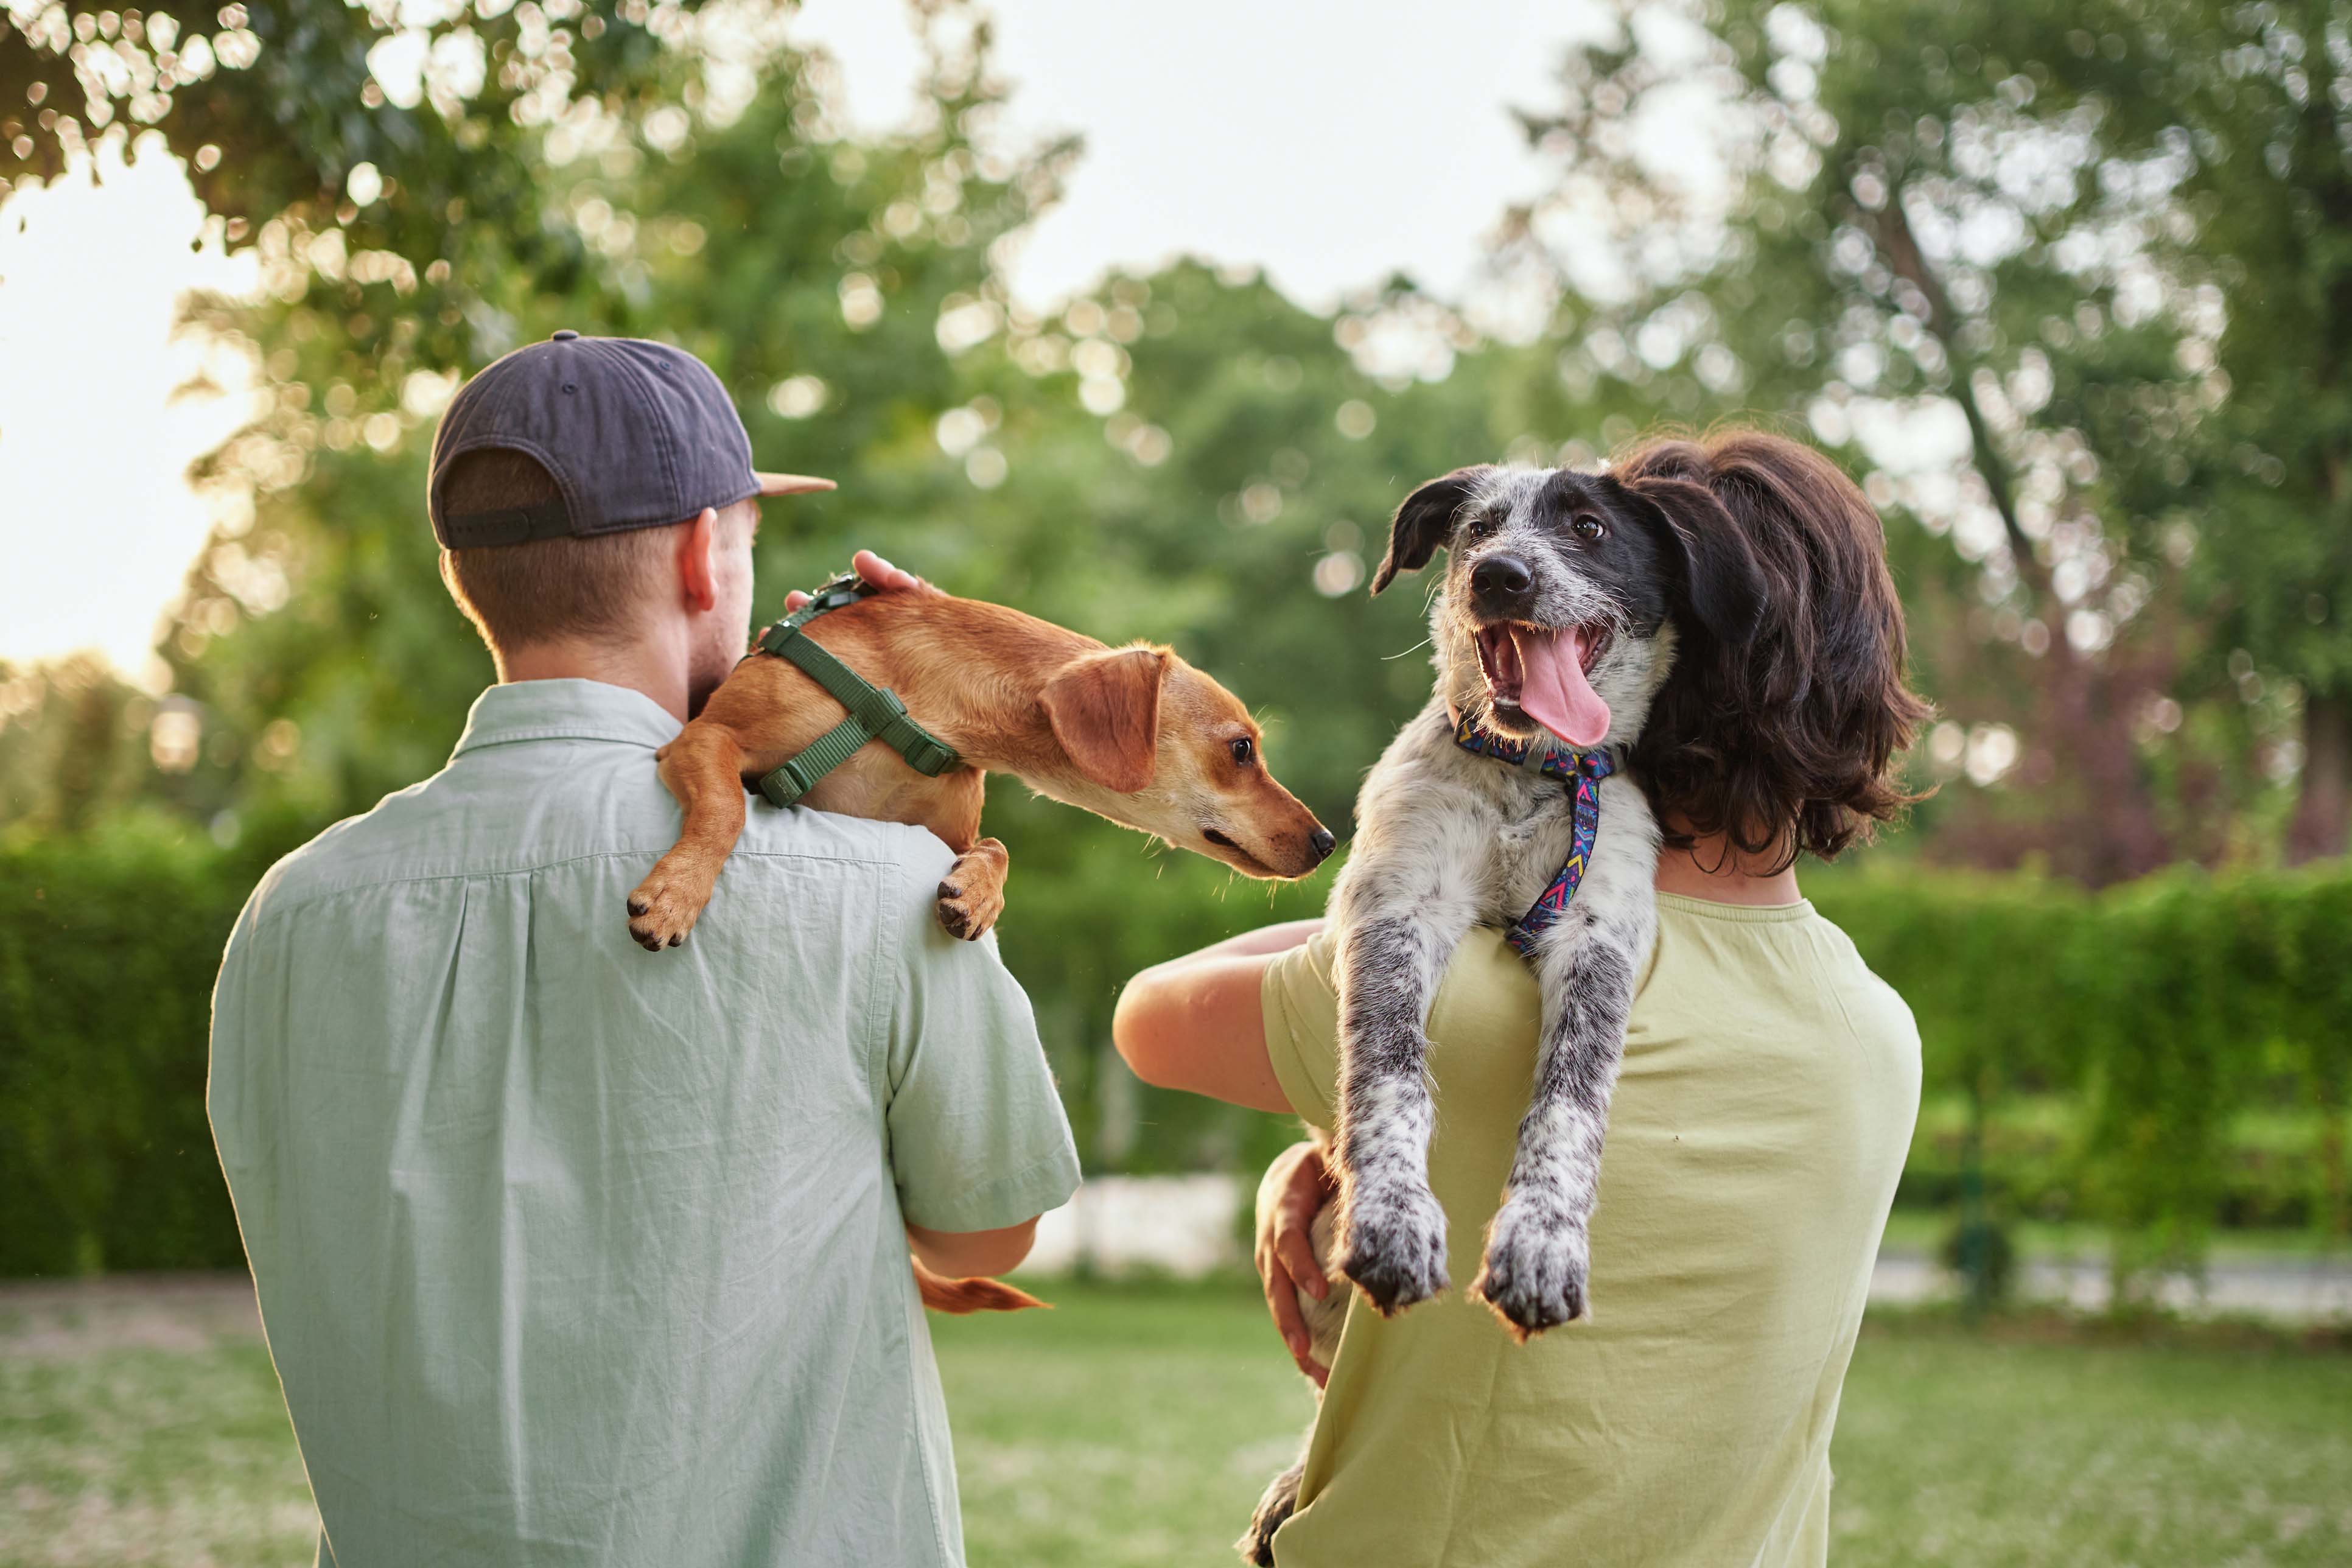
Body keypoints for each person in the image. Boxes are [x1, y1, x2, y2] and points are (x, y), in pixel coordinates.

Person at [208, 332, 1078, 1567]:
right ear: (692, 555)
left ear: (472, 581)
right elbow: (986, 1233)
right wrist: (916, 748)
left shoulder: (290, 914)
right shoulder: (883, 889)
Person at [1113, 431, 1929, 1568]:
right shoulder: (1878, 1033)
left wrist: (1365, 980)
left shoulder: (1471, 999)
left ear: (1660, 645)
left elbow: (1151, 1017)